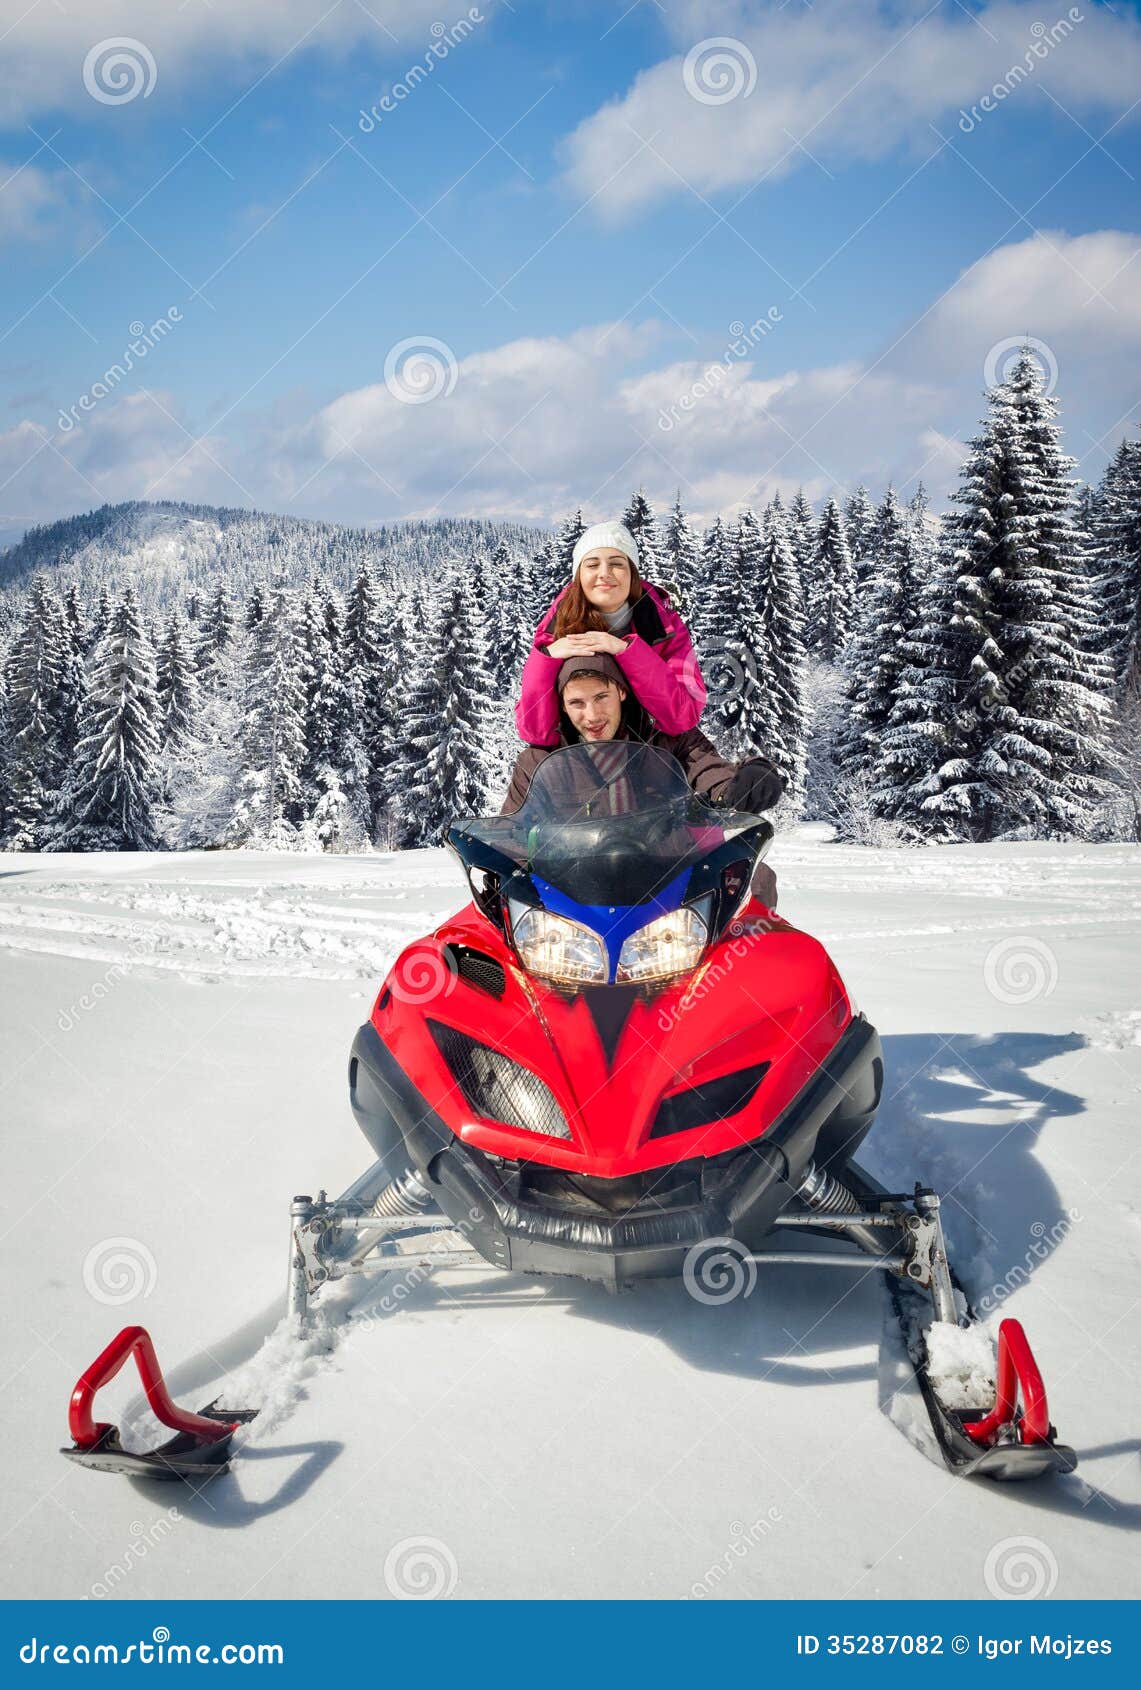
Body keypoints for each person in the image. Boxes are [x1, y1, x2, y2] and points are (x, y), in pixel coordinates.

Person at [502, 653, 782, 908]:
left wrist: (749, 778)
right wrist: (506, 873)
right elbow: (512, 831)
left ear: (621, 692)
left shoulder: (669, 742)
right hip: (575, 895)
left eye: (601, 697)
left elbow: (711, 772)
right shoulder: (539, 762)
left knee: (757, 879)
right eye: (577, 703)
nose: (592, 715)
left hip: (669, 886)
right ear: (562, 705)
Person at [516, 520, 706, 748]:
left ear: (632, 574)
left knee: (693, 746)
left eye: (616, 564)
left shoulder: (663, 626)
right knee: (531, 759)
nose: (604, 574)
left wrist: (627, 652)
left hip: (646, 750)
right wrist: (546, 658)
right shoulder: (556, 626)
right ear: (578, 577)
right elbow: (536, 733)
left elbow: (683, 716)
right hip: (578, 754)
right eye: (592, 565)